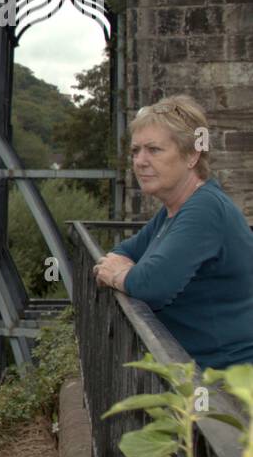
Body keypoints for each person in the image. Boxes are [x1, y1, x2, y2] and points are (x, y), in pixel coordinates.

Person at [93, 95, 253, 370]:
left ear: (192, 155)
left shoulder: (205, 209)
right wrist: (126, 271)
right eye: (135, 151)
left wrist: (120, 275)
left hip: (225, 388)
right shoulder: (173, 211)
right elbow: (122, 253)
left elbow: (151, 284)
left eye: (154, 150)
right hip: (199, 376)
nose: (140, 161)